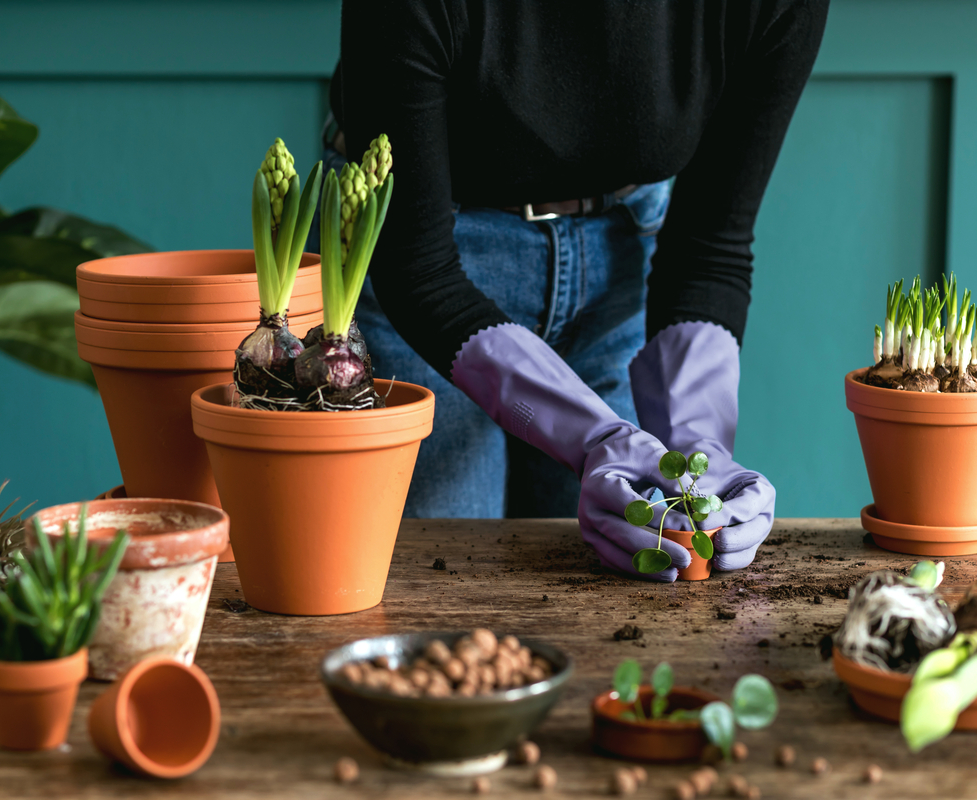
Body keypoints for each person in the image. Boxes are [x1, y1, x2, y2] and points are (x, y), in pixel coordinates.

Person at [321, 0, 829, 581]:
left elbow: (708, 245)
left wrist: (698, 453)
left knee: (620, 591)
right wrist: (596, 438)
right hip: (426, 274)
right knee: (434, 587)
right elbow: (419, 267)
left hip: (622, 250)